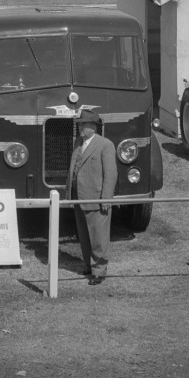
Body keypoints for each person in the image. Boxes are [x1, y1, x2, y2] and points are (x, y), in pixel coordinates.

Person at [67, 118, 117, 285]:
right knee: (84, 235)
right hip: (78, 197)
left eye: (83, 124)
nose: (79, 127)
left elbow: (110, 174)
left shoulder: (105, 145)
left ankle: (99, 271)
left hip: (96, 198)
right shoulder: (78, 142)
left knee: (98, 237)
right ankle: (89, 264)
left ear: (93, 127)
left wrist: (106, 199)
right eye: (79, 124)